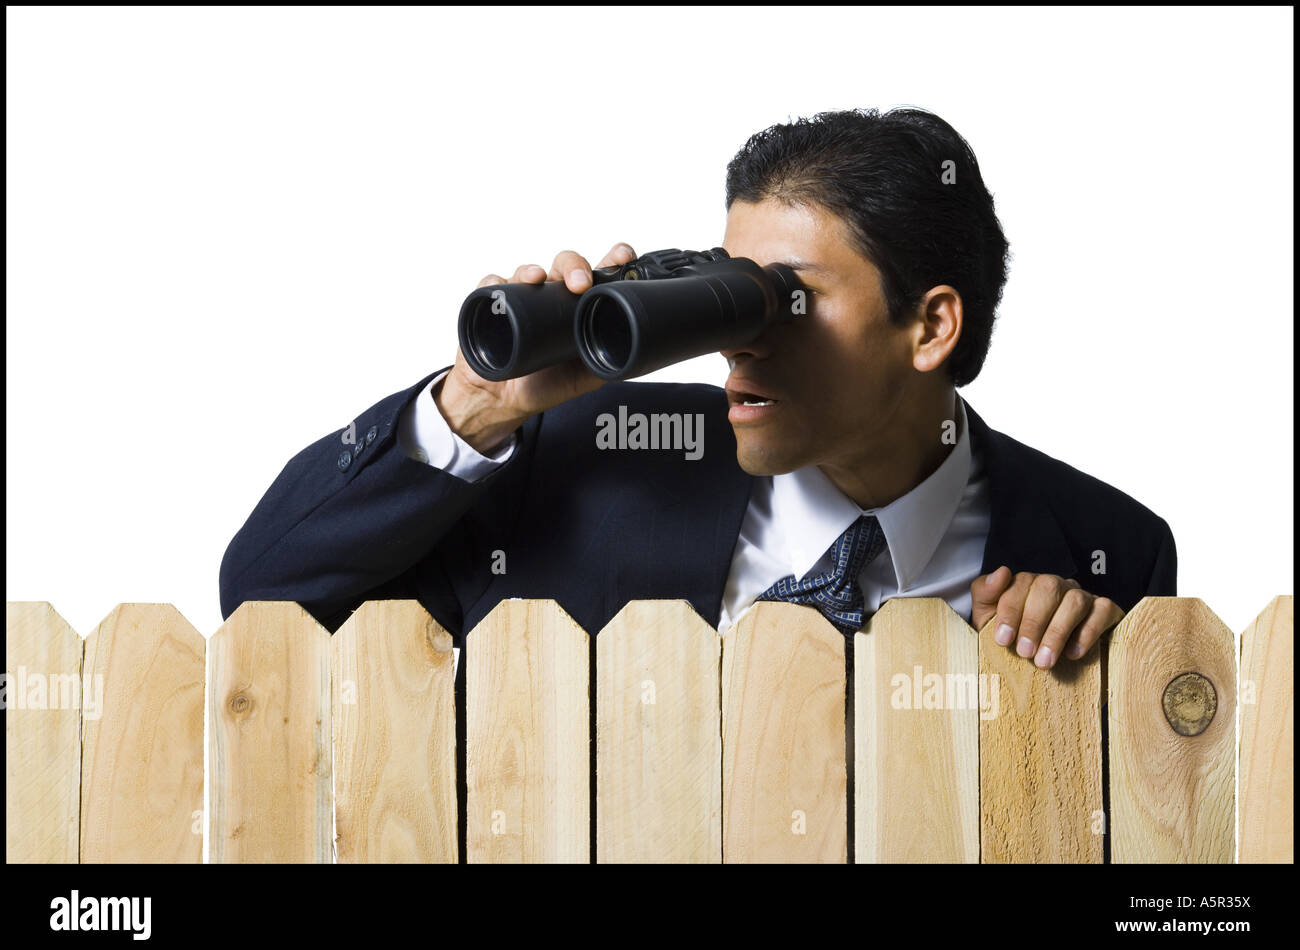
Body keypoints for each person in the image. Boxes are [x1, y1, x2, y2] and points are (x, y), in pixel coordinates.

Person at [219, 108, 1175, 677]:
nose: (742, 342)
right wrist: (482, 404)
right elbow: (265, 599)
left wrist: (1076, 678)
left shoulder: (1106, 551)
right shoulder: (595, 460)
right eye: (734, 291)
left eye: (788, 297)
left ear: (929, 327)